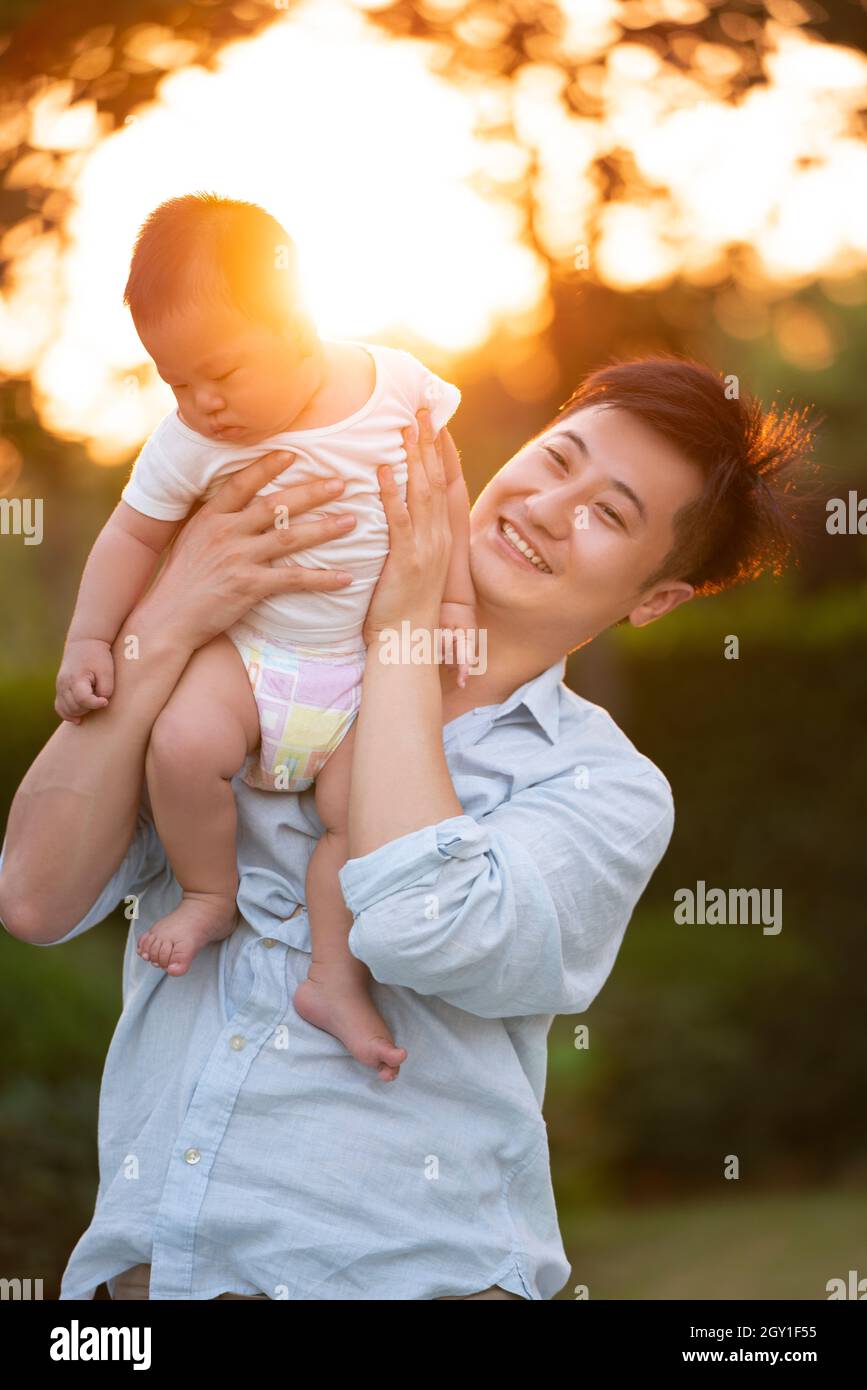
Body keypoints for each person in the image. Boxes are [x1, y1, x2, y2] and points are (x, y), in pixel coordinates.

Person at [0, 356, 816, 1300]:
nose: (551, 508)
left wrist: (400, 635)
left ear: (655, 600)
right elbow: (34, 895)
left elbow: (418, 919)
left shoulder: (602, 789)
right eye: (558, 460)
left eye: (609, 513)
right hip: (147, 1287)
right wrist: (169, 620)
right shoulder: (263, 655)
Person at [54, 193, 470, 1082]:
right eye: (175, 383)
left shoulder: (395, 385)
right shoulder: (188, 443)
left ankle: (332, 975)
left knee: (362, 816)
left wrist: (458, 603)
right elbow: (132, 534)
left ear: (299, 319)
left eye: (221, 371)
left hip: (361, 677)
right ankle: (210, 894)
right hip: (251, 659)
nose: (202, 401)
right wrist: (91, 640)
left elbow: (447, 487)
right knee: (180, 742)